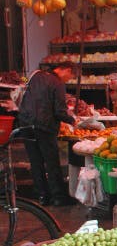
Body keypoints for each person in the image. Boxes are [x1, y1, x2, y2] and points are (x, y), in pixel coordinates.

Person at [17, 63, 76, 206]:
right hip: (44, 126)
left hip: (25, 122)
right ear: (66, 70)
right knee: (51, 162)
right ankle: (58, 197)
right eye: (71, 76)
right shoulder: (57, 83)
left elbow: (23, 84)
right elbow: (59, 111)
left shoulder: (35, 75)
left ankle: (42, 195)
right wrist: (72, 120)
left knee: (35, 161)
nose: (69, 79)